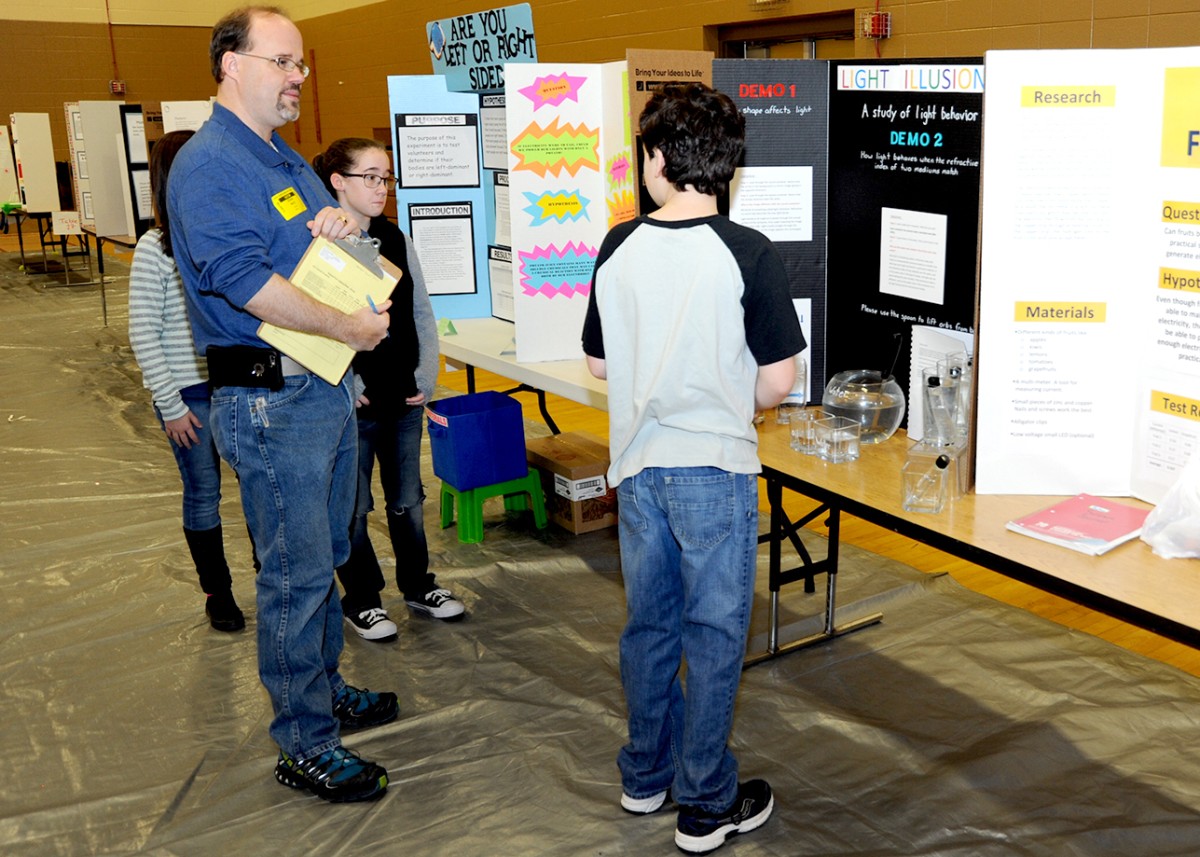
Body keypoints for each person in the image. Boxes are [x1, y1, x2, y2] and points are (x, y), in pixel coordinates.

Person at [167, 5, 397, 804]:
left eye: (302, 63)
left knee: (324, 553)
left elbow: (311, 259)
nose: (298, 76)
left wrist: (338, 228)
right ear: (231, 64)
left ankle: (322, 690)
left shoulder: (287, 163)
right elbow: (246, 282)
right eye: (282, 61)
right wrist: (351, 329)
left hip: (322, 389)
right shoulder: (208, 166)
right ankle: (303, 741)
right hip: (270, 398)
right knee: (296, 574)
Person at [581, 82, 805, 855]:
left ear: (658, 157)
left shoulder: (617, 245)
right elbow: (781, 377)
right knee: (712, 637)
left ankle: (645, 775)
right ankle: (707, 800)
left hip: (638, 471)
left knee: (650, 627)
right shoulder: (748, 251)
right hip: (715, 469)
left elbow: (597, 362)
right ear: (726, 165)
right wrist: (725, 392)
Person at [311, 138, 465, 642]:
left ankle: (419, 586)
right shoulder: (321, 240)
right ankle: (362, 599)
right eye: (370, 177)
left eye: (385, 178)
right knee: (353, 508)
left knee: (407, 500)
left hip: (403, 395)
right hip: (353, 402)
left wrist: (426, 373)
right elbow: (315, 321)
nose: (381, 188)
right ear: (339, 181)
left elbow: (420, 307)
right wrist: (344, 380)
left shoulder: (395, 237)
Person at [129, 129, 247, 634]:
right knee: (203, 492)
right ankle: (217, 592)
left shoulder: (225, 234)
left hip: (238, 387)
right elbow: (143, 331)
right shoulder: (155, 247)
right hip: (188, 395)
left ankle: (271, 576)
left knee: (260, 490)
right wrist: (171, 404)